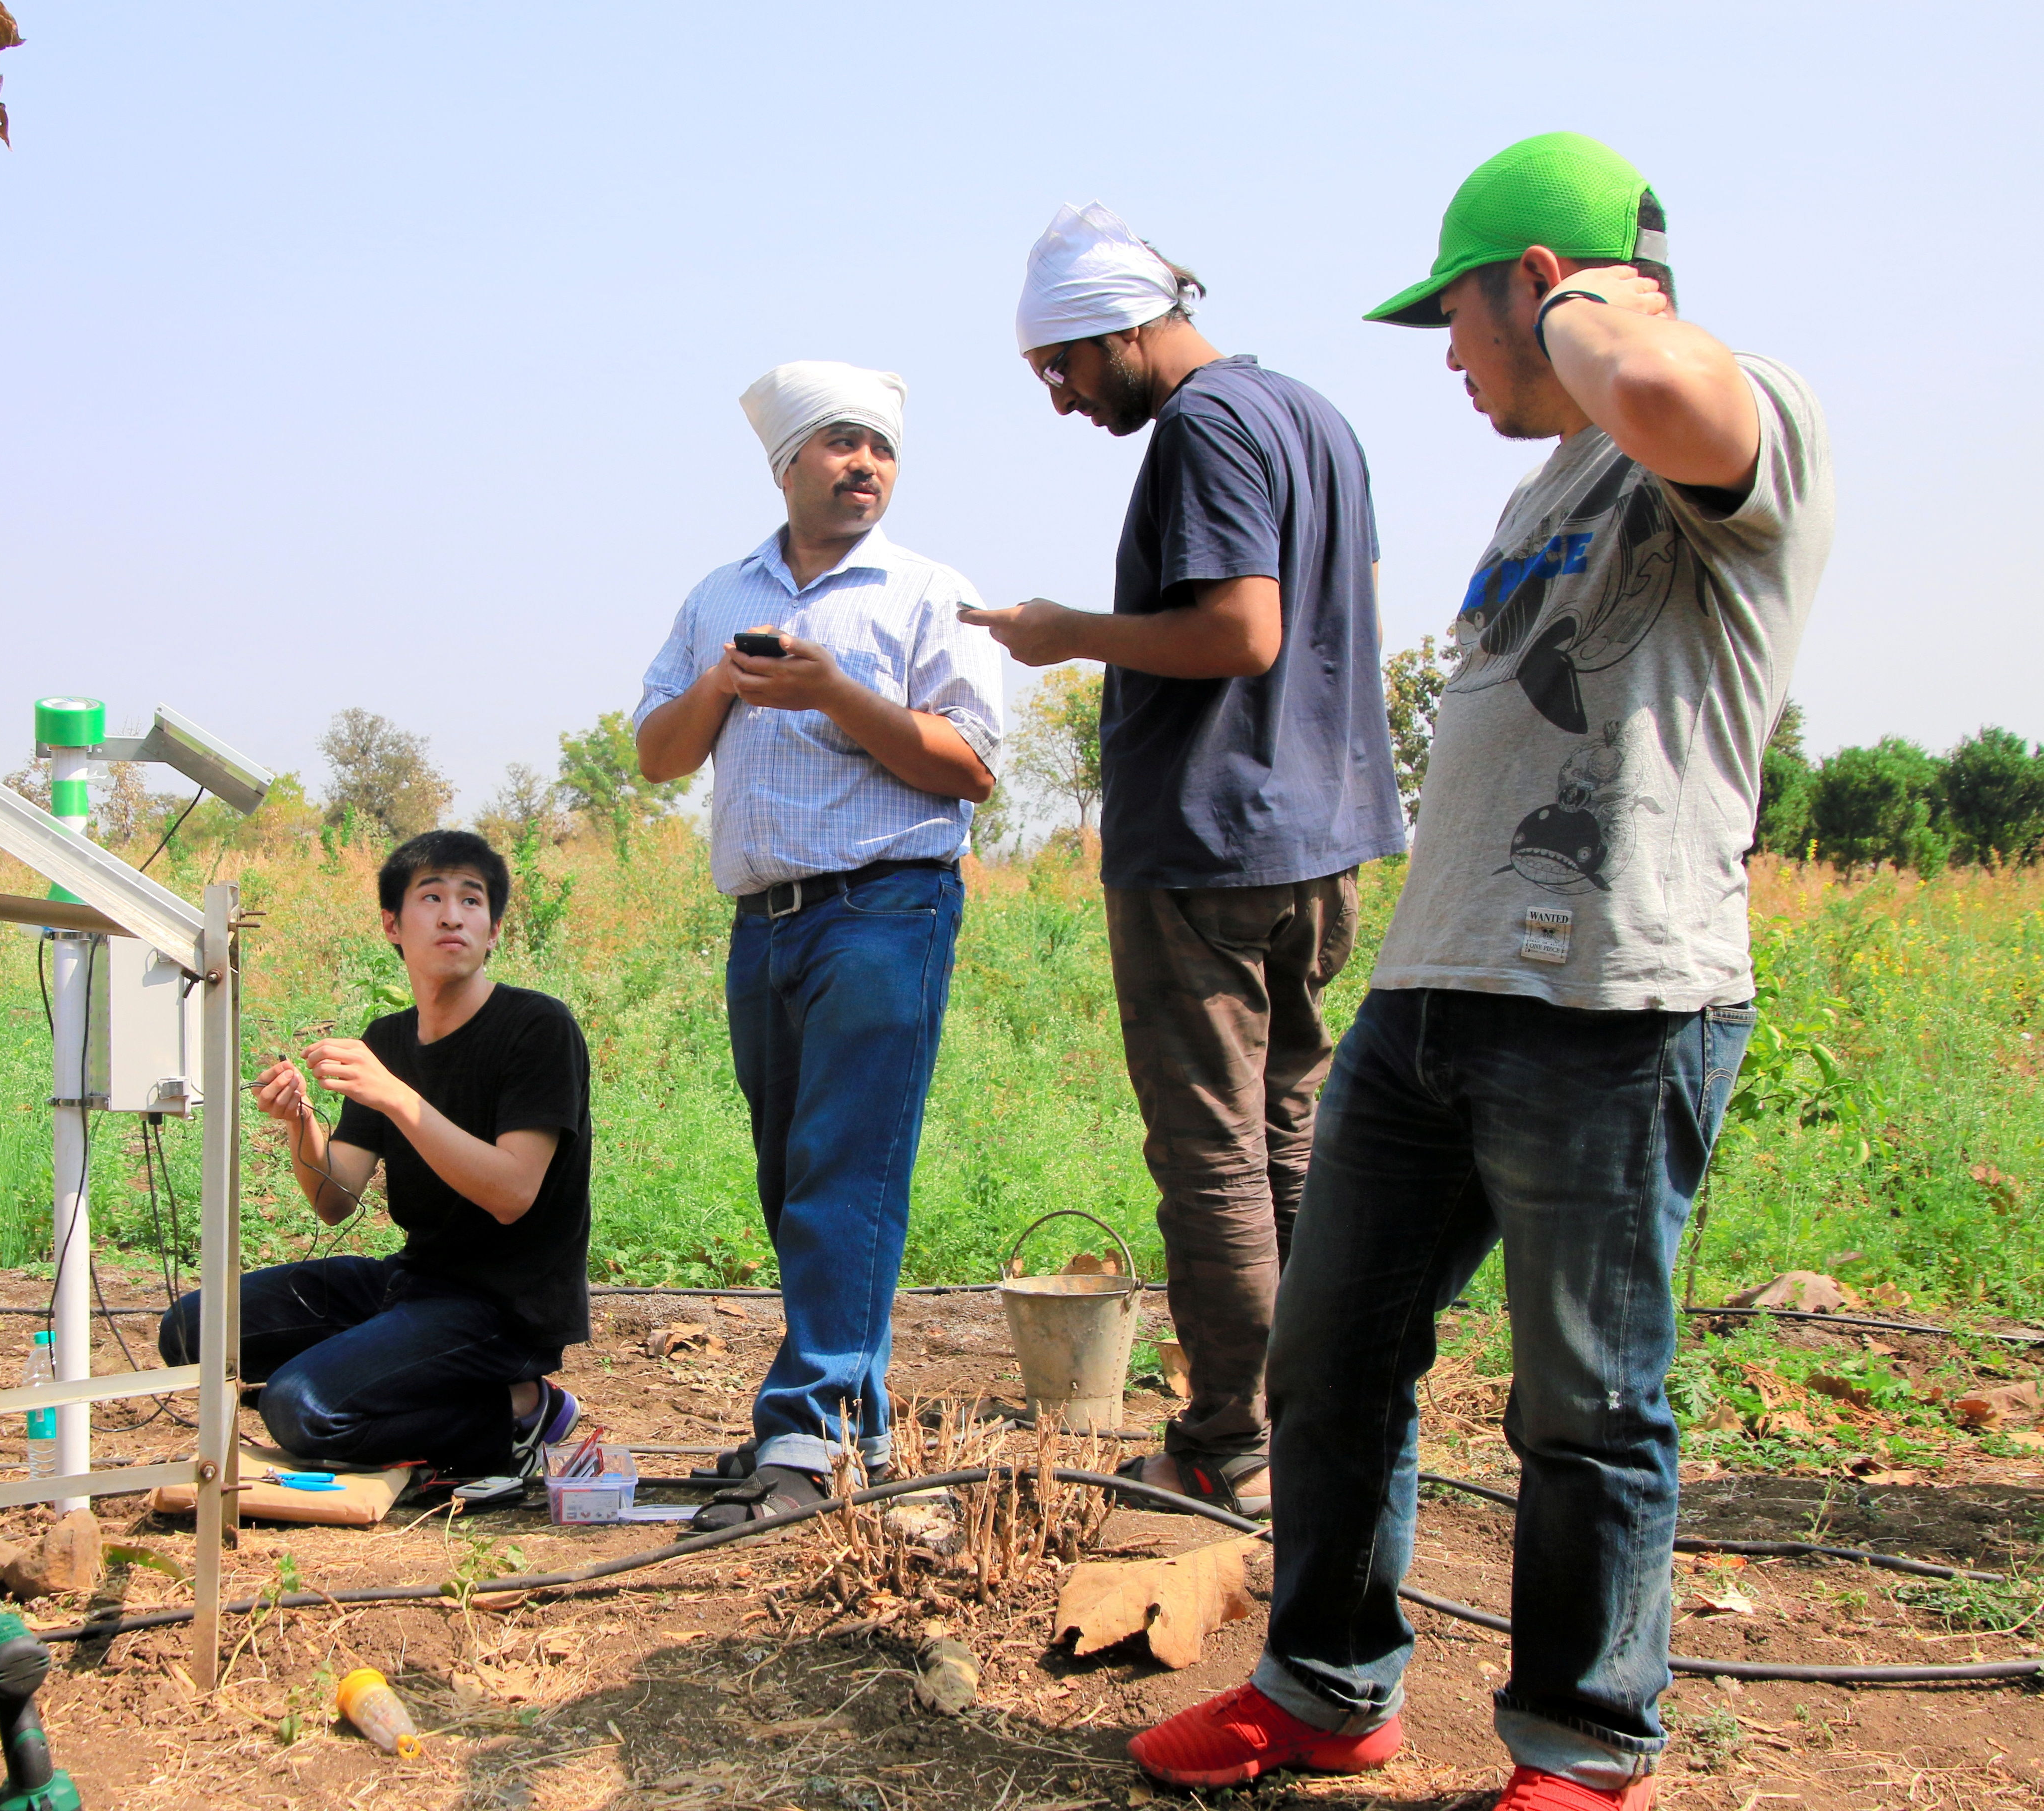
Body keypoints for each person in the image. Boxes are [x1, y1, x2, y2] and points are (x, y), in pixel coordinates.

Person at [1127, 134, 1832, 1810]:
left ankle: (1584, 1746)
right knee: (1329, 1349)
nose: (1445, 358)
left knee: (1584, 1398)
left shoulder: (1744, 412)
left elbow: (1658, 377)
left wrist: (1589, 292)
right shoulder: (1541, 492)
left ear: (1542, 284)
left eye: (1455, 313)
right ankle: (1321, 1688)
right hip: (1433, 991)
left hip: (1611, 1000)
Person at [963, 203, 1404, 1515]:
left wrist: (1064, 632)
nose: (1060, 399)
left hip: (1213, 844)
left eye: (1064, 368)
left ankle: (1229, 1441)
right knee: (1290, 1141)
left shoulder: (1207, 426)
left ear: (1120, 329)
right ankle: (1315, 1419)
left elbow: (1243, 632)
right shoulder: (1313, 415)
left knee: (1214, 1155)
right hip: (1325, 836)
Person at [633, 360, 1004, 1526]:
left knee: (845, 1172)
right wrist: (726, 686)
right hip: (768, 924)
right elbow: (656, 753)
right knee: (794, 1180)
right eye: (840, 446)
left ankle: (811, 1430)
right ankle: (850, 1432)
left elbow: (973, 766)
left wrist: (835, 693)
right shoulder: (717, 595)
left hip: (885, 909)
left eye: (880, 449)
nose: (863, 467)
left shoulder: (927, 592)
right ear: (784, 464)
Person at [158, 830, 591, 1481]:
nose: (453, 915)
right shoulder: (386, 1039)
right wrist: (302, 1121)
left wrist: (393, 1094)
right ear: (392, 924)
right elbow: (335, 1198)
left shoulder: (537, 1027)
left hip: (505, 1309)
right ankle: (383, 1378)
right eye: (432, 897)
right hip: (412, 1283)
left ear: (494, 928)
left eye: (472, 901)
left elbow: (512, 1191)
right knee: (192, 1330)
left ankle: (522, 1408)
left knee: (300, 1408)